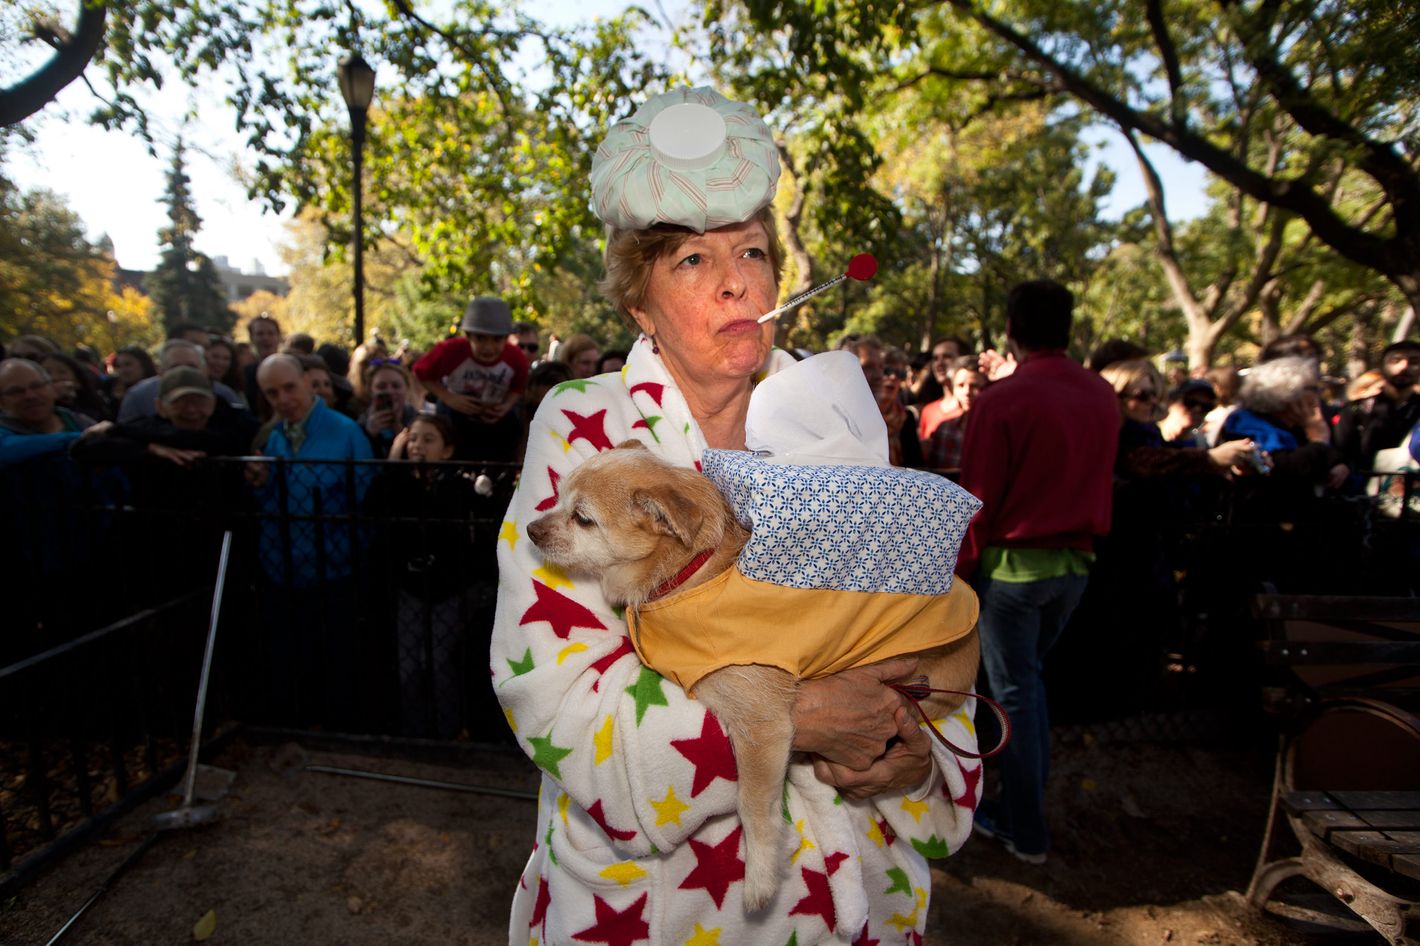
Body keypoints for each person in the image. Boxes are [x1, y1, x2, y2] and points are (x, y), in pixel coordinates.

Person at [491, 87, 977, 946]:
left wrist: (917, 750)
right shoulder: (582, 427)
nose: (734, 279)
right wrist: (796, 716)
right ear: (638, 305)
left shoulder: (835, 420)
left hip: (844, 898)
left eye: (751, 252)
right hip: (651, 907)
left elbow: (906, 620)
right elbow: (555, 694)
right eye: (690, 262)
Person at [956, 279, 1120, 865]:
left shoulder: (1002, 401)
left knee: (1017, 696)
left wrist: (959, 574)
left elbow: (975, 500)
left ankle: (1025, 829)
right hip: (1074, 572)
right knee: (1029, 688)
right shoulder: (1102, 394)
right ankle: (1023, 817)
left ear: (1011, 331)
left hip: (1014, 577)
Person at [245, 353, 374, 727]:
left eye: (289, 387)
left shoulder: (346, 432)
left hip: (335, 573)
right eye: (272, 393)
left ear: (307, 381)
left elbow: (366, 502)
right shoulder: (272, 436)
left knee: (337, 665)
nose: (283, 399)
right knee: (291, 662)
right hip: (282, 571)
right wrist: (260, 484)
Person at [365, 414, 489, 738]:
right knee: (408, 664)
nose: (418, 446)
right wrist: (395, 462)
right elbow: (375, 508)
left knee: (435, 660)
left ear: (447, 450)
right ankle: (415, 732)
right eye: (413, 439)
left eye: (428, 439)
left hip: (451, 590)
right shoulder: (398, 481)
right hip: (412, 588)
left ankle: (448, 731)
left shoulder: (460, 486)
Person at [412, 297, 528, 463]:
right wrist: (447, 397)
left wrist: (506, 406)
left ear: (507, 338)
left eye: (497, 340)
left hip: (496, 419)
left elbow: (518, 386)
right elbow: (421, 371)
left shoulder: (516, 358)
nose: (488, 347)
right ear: (468, 336)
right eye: (480, 338)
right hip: (455, 415)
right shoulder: (449, 351)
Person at [1334, 339, 1420, 473]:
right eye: (1396, 361)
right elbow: (1340, 452)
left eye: (1414, 362)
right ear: (1382, 365)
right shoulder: (1357, 409)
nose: (1404, 367)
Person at [118, 340, 242, 422]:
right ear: (161, 371)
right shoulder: (138, 396)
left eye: (191, 367)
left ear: (204, 370)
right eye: (175, 367)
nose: (184, 374)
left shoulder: (224, 394)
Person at [922, 356, 986, 470]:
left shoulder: (996, 430)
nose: (967, 392)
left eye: (974, 386)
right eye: (960, 385)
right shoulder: (944, 429)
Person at [357, 360, 420, 457]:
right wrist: (369, 436)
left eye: (396, 386)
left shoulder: (418, 421)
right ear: (370, 390)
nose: (389, 391)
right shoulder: (359, 425)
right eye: (381, 387)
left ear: (406, 388)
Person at [39, 351, 112, 422]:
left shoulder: (94, 404)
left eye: (62, 372)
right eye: (47, 372)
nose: (54, 377)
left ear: (77, 379)